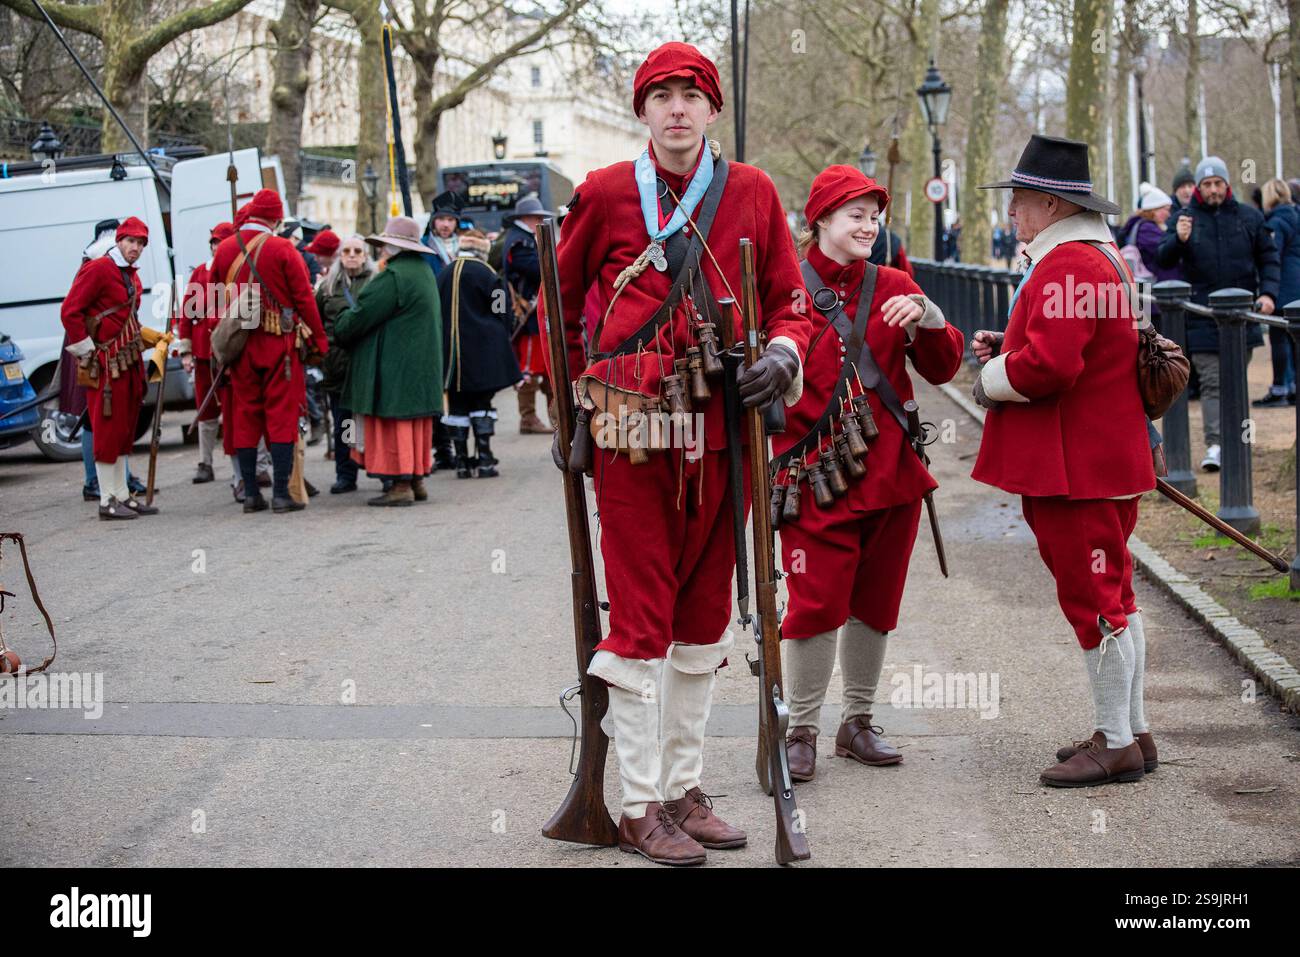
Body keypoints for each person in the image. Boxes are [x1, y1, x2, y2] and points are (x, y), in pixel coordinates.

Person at [543, 41, 810, 866]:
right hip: (632, 439)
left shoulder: (755, 192)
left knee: (699, 622)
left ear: (712, 107)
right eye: (660, 94)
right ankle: (632, 802)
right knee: (640, 623)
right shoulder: (604, 192)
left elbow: (791, 302)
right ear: (643, 110)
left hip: (722, 437)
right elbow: (554, 306)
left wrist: (784, 357)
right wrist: (567, 414)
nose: (676, 108)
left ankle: (684, 788)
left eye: (691, 93)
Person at [970, 134, 1156, 787]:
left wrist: (992, 375)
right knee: (1117, 594)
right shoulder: (1100, 258)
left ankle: (1115, 741)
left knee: (1095, 599)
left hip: (1074, 466)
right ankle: (1130, 729)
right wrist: (1008, 343)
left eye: (1018, 203)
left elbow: (1050, 365)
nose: (1012, 216)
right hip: (1103, 458)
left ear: (1048, 204)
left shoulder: (1066, 264)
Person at [777, 166, 963, 781]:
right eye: (855, 214)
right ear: (822, 219)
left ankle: (856, 722)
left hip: (890, 473)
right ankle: (799, 727)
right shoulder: (783, 286)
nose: (868, 226)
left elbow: (940, 367)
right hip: (812, 476)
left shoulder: (896, 285)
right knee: (814, 603)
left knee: (876, 602)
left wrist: (932, 319)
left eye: (874, 216)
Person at [1155, 156, 1279, 471]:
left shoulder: (1249, 218)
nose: (1213, 189)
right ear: (1198, 187)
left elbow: (1268, 257)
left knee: (1236, 380)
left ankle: (1238, 442)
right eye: (1207, 184)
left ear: (1227, 185)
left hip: (1242, 315)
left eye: (1218, 183)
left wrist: (1268, 294)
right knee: (1211, 381)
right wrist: (1179, 239)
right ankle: (1214, 445)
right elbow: (1163, 258)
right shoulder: (1184, 219)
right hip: (1202, 316)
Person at [211, 189, 328, 514]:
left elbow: (212, 299)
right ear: (277, 218)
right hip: (279, 344)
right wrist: (319, 340)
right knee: (281, 416)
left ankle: (250, 495)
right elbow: (304, 298)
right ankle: (280, 494)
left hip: (240, 346)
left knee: (246, 416)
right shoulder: (282, 248)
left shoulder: (224, 250)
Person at [334, 216, 443, 506]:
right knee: (414, 422)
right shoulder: (423, 272)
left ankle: (401, 484)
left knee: (396, 423)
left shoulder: (394, 277)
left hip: (397, 368)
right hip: (419, 366)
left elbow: (361, 316)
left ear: (394, 248)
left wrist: (341, 324)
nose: (382, 250)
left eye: (386, 245)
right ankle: (416, 478)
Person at [60, 217, 163, 520]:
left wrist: (150, 336)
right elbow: (70, 311)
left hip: (127, 362)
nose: (136, 248)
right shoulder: (99, 268)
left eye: (141, 243)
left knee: (122, 429)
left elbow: (125, 320)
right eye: (131, 241)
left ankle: (121, 494)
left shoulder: (131, 276)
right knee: (106, 429)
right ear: (119, 241)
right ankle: (106, 499)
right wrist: (87, 351)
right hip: (105, 364)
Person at [437, 229, 521, 478]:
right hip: (482, 351)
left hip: (450, 353)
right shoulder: (487, 274)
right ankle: (484, 459)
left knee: (457, 407)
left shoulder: (443, 273)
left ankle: (462, 462)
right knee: (482, 404)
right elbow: (500, 310)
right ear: (482, 250)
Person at [175, 221, 235, 484]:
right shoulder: (200, 273)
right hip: (202, 356)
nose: (217, 247)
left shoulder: (238, 273)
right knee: (206, 409)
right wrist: (186, 351)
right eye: (214, 243)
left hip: (230, 355)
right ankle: (205, 462)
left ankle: (243, 467)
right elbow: (186, 315)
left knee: (235, 410)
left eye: (222, 243)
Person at [315, 234, 374, 493]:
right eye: (347, 250)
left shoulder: (376, 283)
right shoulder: (328, 287)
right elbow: (316, 322)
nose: (352, 255)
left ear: (365, 255)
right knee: (344, 423)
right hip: (337, 366)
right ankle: (346, 474)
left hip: (367, 364)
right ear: (339, 255)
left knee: (373, 421)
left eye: (357, 251)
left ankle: (380, 470)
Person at [503, 194, 556, 434]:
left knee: (546, 368)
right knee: (530, 370)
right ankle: (528, 418)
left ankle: (556, 417)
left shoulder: (523, 238)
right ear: (527, 217)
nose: (540, 220)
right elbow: (537, 270)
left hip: (537, 314)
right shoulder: (520, 241)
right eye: (537, 217)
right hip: (528, 315)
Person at [1257, 178, 1299, 407]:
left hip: (1284, 288)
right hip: (1297, 288)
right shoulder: (1296, 216)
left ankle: (1280, 387)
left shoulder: (1276, 222)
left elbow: (1273, 255)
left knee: (1279, 339)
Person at [1117, 183, 1180, 284]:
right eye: (1166, 210)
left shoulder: (1147, 226)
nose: (1169, 215)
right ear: (1154, 210)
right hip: (1159, 285)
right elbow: (1165, 251)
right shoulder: (1146, 229)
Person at [421, 192, 462, 279]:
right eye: (441, 219)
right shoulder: (422, 246)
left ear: (456, 223)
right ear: (433, 222)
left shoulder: (465, 245)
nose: (446, 224)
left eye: (450, 220)